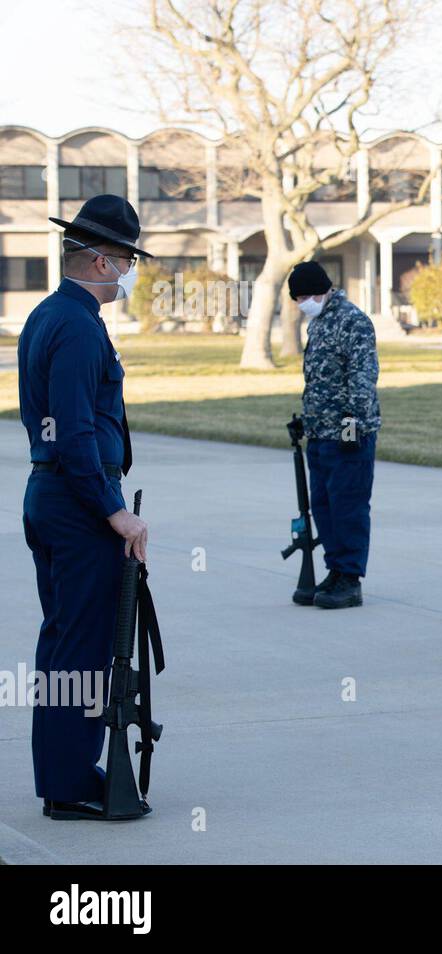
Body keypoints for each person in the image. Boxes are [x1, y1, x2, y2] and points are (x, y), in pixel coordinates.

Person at [19, 194, 151, 820]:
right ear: (100, 261)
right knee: (82, 647)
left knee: (66, 643)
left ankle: (66, 773)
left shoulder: (51, 314)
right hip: (77, 502)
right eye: (126, 260)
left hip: (56, 495)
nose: (127, 272)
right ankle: (69, 783)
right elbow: (72, 431)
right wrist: (113, 510)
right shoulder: (76, 325)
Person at [295, 260, 381, 609]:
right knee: (324, 505)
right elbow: (319, 380)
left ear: (322, 290)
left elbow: (362, 378)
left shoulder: (352, 321)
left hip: (347, 435)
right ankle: (334, 569)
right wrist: (307, 420)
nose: (302, 303)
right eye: (296, 298)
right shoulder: (318, 323)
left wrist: (352, 426)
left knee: (348, 506)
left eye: (304, 296)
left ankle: (350, 577)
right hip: (321, 432)